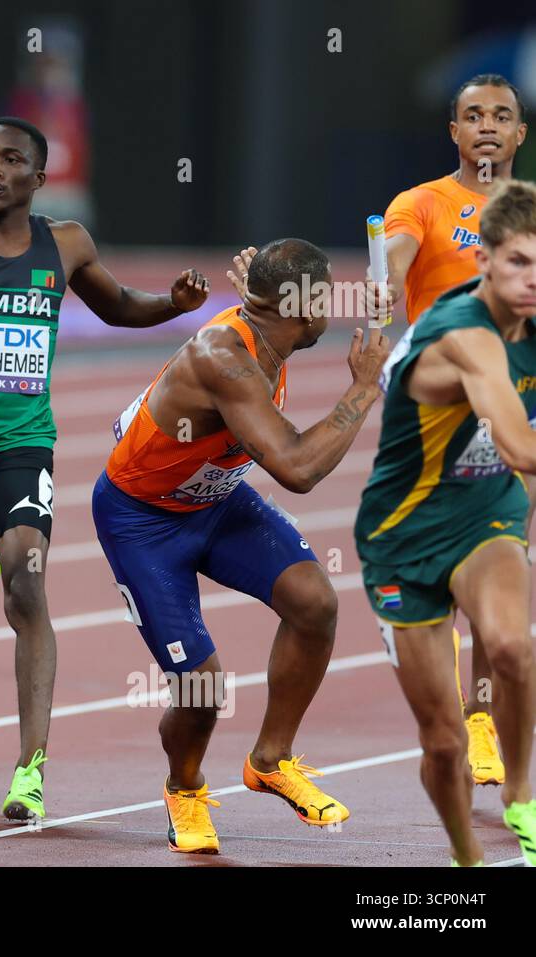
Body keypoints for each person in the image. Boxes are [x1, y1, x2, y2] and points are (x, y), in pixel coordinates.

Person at [0, 117, 209, 821]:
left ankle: (29, 768)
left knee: (27, 593)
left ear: (37, 179)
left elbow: (118, 306)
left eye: (10, 159)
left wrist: (172, 304)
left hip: (22, 445)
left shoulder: (64, 243)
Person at [95, 239, 389, 854]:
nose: (333, 304)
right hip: (142, 520)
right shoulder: (224, 358)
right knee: (202, 689)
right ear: (302, 310)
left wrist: (262, 285)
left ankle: (270, 759)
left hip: (215, 502)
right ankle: (184, 786)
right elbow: (297, 470)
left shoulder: (268, 323)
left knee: (315, 603)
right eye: (326, 294)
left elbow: (268, 306)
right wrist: (364, 389)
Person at [356, 180, 536, 866]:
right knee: (443, 740)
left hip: (486, 509)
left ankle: (521, 795)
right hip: (402, 532)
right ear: (484, 259)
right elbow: (521, 447)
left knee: (512, 649)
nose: (532, 279)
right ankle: (468, 858)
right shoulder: (465, 335)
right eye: (518, 261)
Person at [370, 74, 528, 787]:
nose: (487, 126)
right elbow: (391, 266)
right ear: (454, 133)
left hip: (515, 398)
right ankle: (460, 715)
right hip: (436, 409)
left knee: (503, 568)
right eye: (473, 116)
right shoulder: (422, 203)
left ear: (521, 134)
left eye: (502, 115)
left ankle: (485, 718)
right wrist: (379, 296)